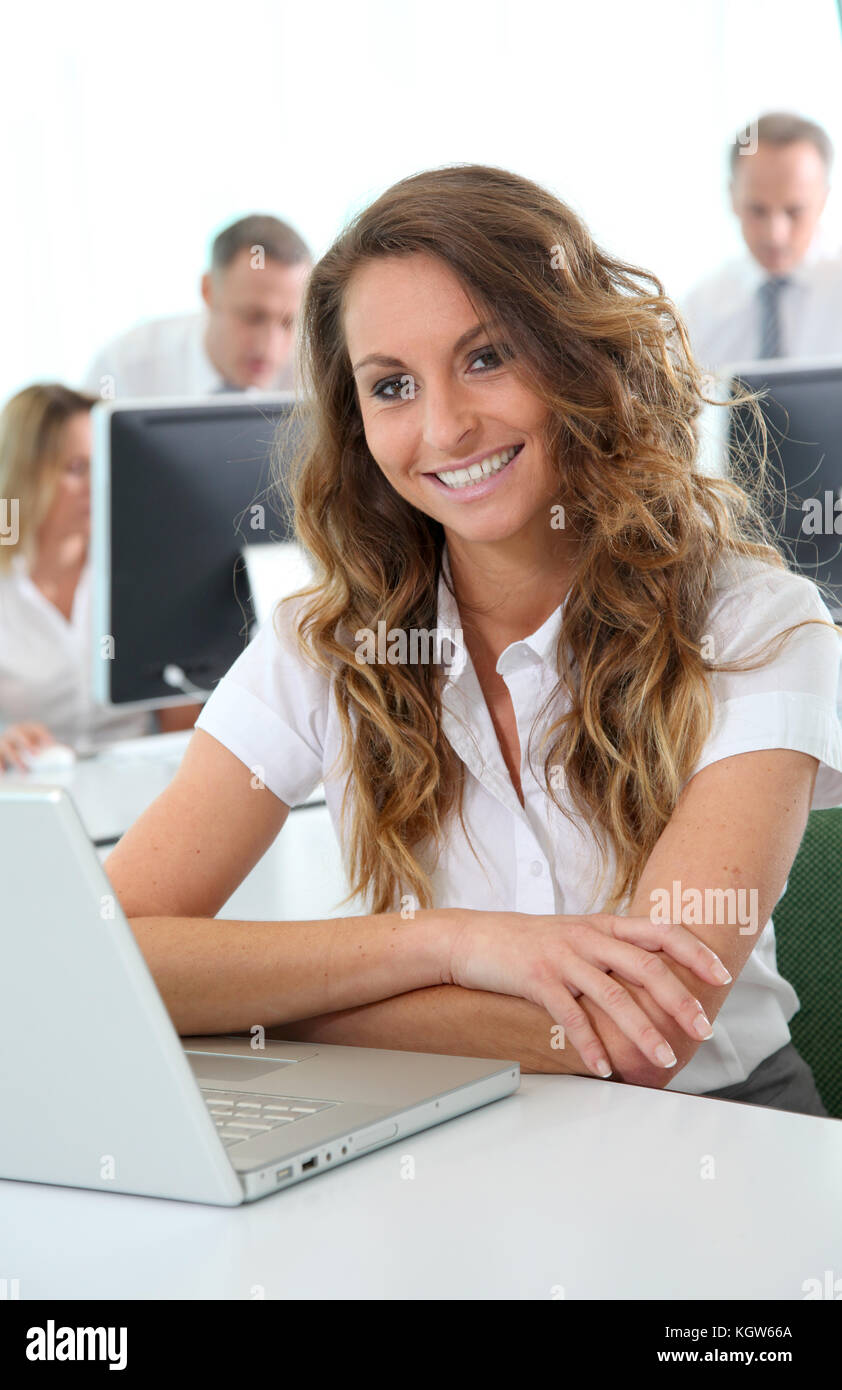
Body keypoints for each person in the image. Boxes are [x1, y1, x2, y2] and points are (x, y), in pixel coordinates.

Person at [103, 165, 842, 1118]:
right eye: (393, 385)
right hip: (439, 1133)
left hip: (719, 1130)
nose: (445, 426)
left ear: (578, 355)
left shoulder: (754, 625)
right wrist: (446, 942)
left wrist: (256, 1009)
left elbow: (638, 1034)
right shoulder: (325, 642)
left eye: (488, 357)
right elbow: (108, 951)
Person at [0, 384, 198, 770]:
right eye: (77, 469)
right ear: (23, 476)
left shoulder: (148, 576)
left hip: (138, 796)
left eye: (104, 464)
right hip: (31, 789)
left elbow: (185, 735)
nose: (98, 484)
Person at [82, 215, 312, 400]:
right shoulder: (124, 370)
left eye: (289, 323)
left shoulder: (317, 378)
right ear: (208, 290)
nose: (269, 347)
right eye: (252, 317)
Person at [681, 112, 842, 371]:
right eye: (757, 210)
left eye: (794, 211)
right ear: (732, 197)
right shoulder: (700, 309)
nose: (775, 235)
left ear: (823, 200)